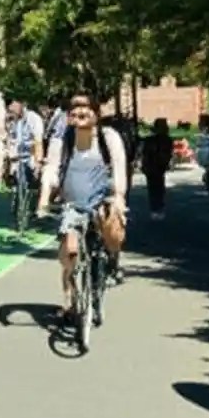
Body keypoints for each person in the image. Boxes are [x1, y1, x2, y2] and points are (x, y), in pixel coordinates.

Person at [37, 92, 128, 318]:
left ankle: (112, 262)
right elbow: (51, 169)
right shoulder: (63, 140)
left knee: (113, 235)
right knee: (69, 253)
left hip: (101, 201)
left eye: (85, 107)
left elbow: (119, 169)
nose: (80, 112)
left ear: (96, 113)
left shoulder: (109, 138)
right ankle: (70, 300)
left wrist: (119, 197)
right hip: (73, 205)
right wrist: (44, 198)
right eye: (74, 108)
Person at [141, 118, 174, 220]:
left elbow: (144, 154)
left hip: (152, 166)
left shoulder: (149, 140)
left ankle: (155, 208)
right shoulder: (167, 140)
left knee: (153, 188)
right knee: (159, 187)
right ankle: (158, 207)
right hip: (158, 166)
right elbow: (168, 154)